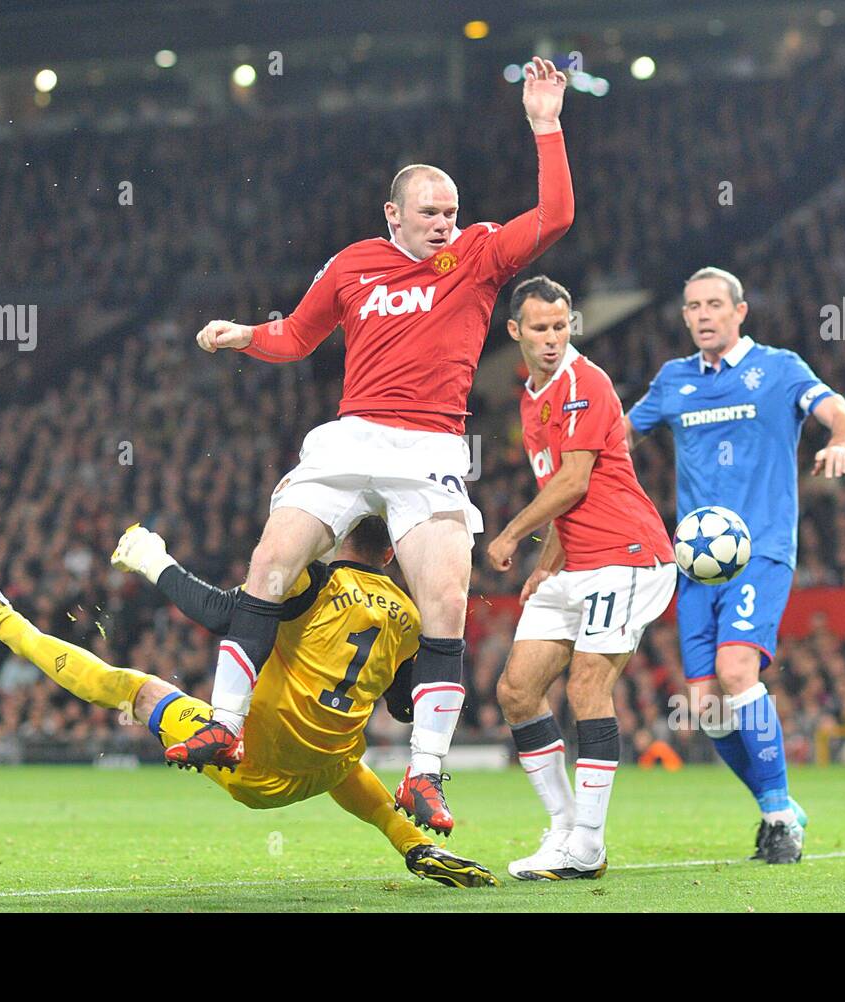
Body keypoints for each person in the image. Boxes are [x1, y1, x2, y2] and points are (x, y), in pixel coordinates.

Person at [187, 57, 575, 835]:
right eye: (430, 211)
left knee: (445, 603)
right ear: (392, 214)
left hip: (429, 448)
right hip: (350, 437)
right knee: (269, 566)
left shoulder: (478, 255)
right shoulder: (351, 265)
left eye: (451, 210)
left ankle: (424, 777)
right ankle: (222, 723)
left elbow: (556, 217)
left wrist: (545, 126)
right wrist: (242, 338)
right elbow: (296, 338)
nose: (444, 222)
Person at [0, 515, 497, 889]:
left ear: (334, 537)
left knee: (135, 689)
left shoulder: (311, 580)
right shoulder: (411, 612)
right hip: (330, 767)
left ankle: (5, 621)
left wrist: (154, 560)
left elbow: (218, 613)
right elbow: (405, 707)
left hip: (253, 768)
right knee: (335, 747)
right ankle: (413, 843)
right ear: (391, 551)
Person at [627, 267, 845, 863]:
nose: (703, 314)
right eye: (692, 306)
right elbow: (618, 436)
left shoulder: (779, 370)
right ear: (684, 317)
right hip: (695, 566)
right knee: (706, 709)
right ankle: (775, 806)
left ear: (740, 312)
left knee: (737, 673)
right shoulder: (674, 380)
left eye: (714, 304)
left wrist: (839, 443)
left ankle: (781, 817)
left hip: (759, 550)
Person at [485, 276, 676, 879]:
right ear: (515, 331)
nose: (550, 338)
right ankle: (566, 830)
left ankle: (588, 842)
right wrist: (546, 565)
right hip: (577, 561)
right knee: (517, 692)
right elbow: (559, 498)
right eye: (538, 328)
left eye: (560, 326)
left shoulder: (583, 382)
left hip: (626, 554)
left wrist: (513, 535)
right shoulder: (530, 395)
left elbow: (574, 483)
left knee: (586, 687)